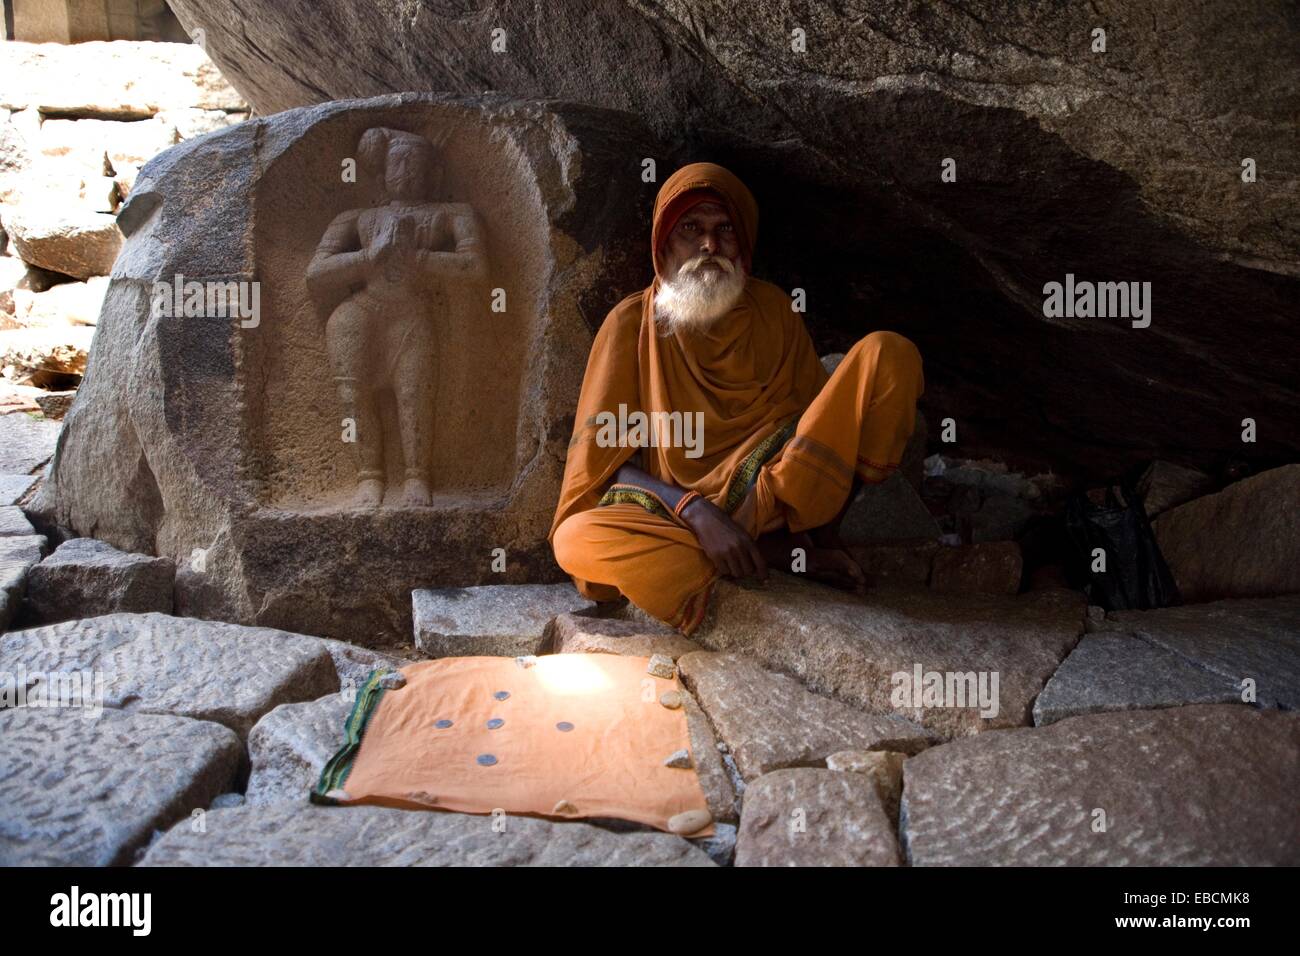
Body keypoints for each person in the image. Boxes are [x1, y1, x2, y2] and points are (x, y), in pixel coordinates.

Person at [550, 161, 924, 634]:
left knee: (888, 353)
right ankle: (771, 559)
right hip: (681, 518)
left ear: (743, 241)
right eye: (691, 228)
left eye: (725, 229)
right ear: (662, 243)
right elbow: (605, 460)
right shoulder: (629, 323)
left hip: (775, 495)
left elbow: (818, 426)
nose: (710, 245)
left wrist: (818, 531)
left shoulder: (773, 309)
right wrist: (695, 510)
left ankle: (796, 546)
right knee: (576, 539)